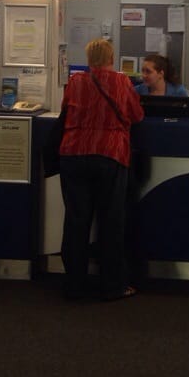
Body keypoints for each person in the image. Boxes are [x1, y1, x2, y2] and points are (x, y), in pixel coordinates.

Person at [58, 38, 144, 302]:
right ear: (111, 57)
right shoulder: (122, 82)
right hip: (110, 155)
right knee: (111, 223)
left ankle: (74, 286)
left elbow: (65, 113)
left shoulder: (76, 82)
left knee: (76, 222)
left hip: (74, 154)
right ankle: (112, 286)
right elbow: (136, 115)